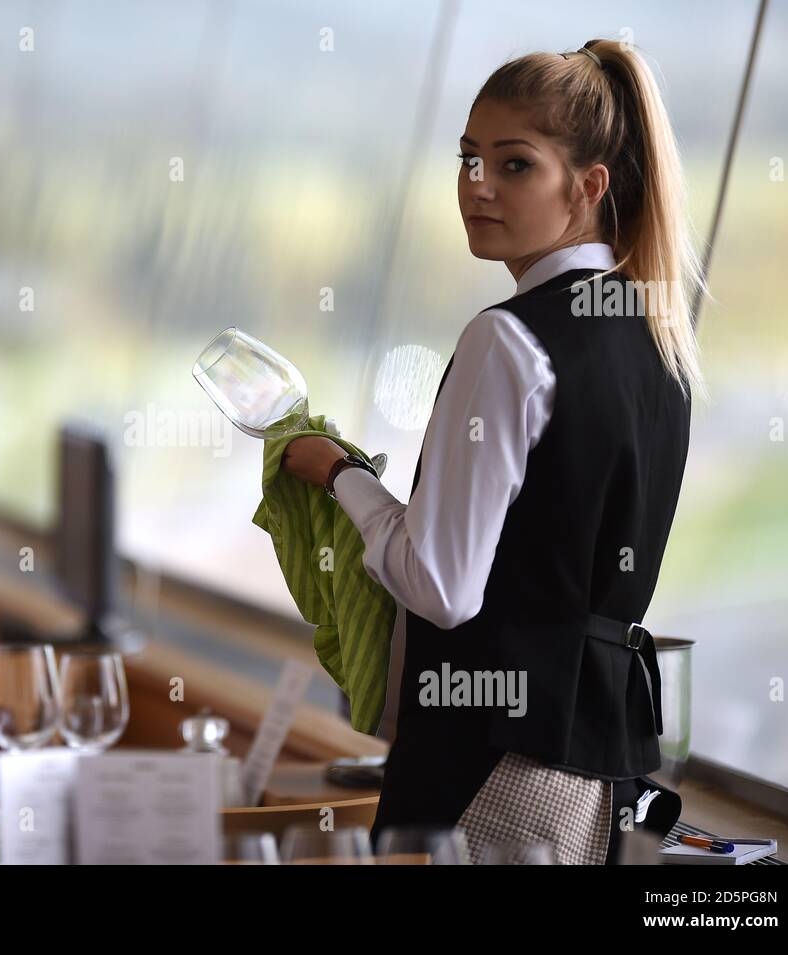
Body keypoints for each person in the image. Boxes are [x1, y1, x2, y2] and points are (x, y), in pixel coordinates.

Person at [282, 39, 703, 864]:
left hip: (488, 772)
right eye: (468, 158)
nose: (477, 185)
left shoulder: (507, 341)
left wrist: (341, 475)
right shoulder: (664, 343)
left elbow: (440, 586)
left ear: (588, 187)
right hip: (598, 782)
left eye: (514, 165)